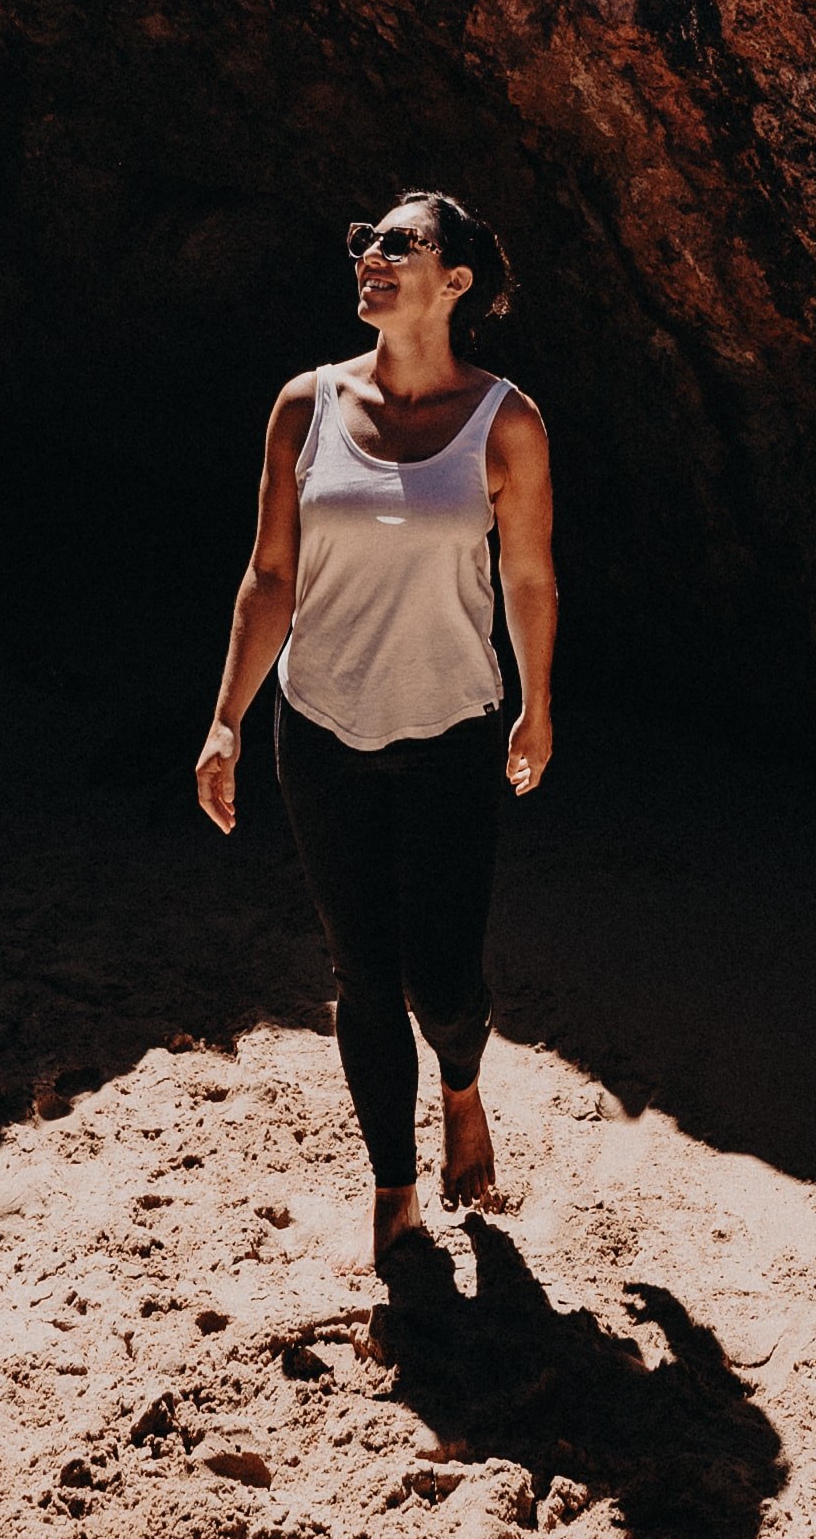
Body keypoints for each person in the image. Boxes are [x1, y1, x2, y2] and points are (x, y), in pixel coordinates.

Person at [195, 190, 558, 1283]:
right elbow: (269, 574)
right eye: (362, 238)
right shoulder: (302, 407)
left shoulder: (507, 420)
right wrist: (224, 716)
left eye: (397, 241)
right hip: (320, 729)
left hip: (452, 728)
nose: (369, 255)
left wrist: (536, 701)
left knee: (443, 982)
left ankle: (460, 1081)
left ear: (452, 281)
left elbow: (528, 573)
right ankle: (392, 1191)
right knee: (360, 974)